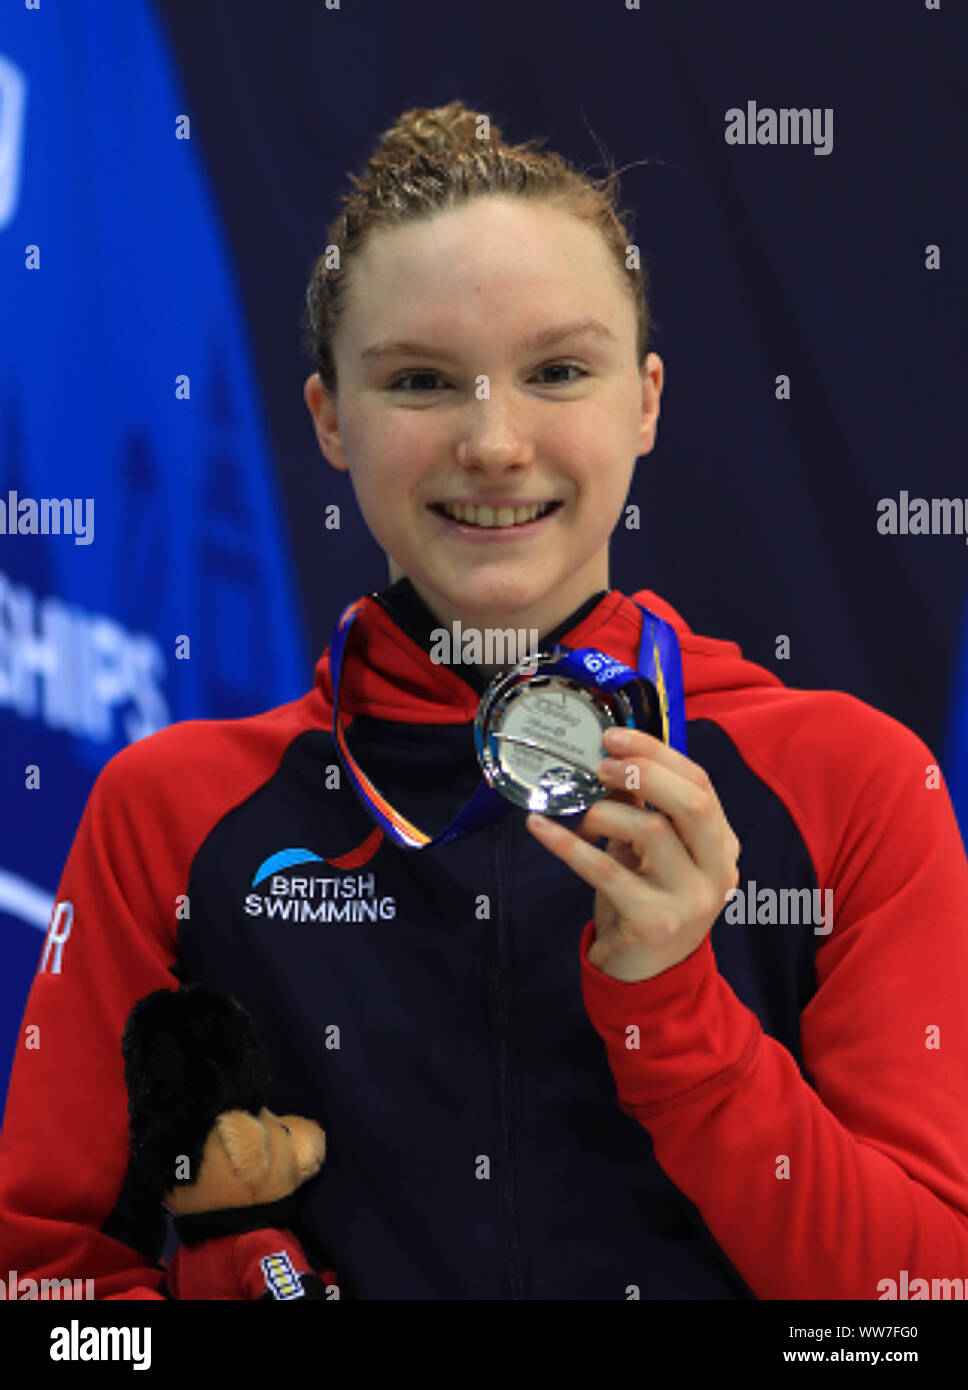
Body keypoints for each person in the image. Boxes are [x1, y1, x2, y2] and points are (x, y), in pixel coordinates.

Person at [2, 100, 968, 1302]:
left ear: (645, 401)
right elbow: (47, 1290)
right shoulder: (172, 810)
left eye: (557, 370)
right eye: (418, 381)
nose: (493, 441)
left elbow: (917, 1303)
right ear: (328, 421)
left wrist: (673, 1013)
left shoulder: (850, 783)